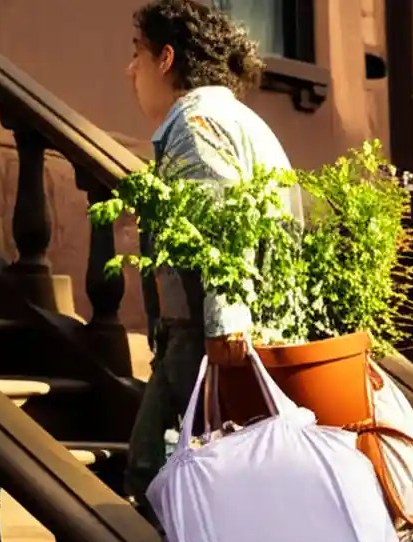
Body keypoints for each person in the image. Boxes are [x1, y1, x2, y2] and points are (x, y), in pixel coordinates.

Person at [123, 0, 297, 514]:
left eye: (138, 53)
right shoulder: (241, 120)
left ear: (166, 59)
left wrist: (225, 325)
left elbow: (220, 231)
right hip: (250, 331)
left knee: (153, 477)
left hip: (210, 341)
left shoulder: (195, 125)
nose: (129, 69)